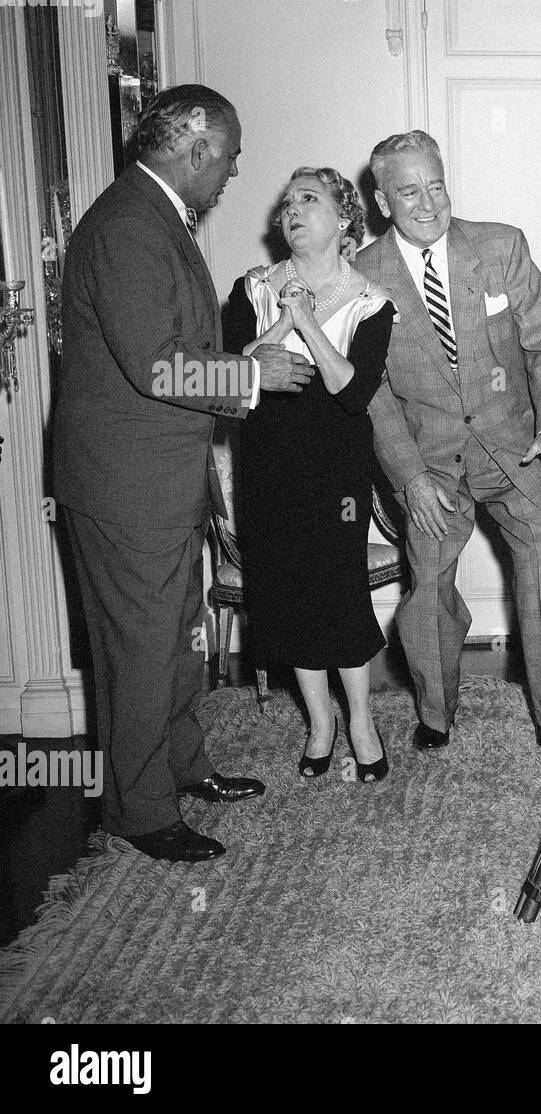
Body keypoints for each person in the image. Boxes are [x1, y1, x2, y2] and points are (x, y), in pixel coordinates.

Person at [50, 85, 314, 862]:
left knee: (175, 637)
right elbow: (158, 367)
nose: (233, 173)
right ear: (195, 144)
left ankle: (181, 766)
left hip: (157, 477)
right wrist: (251, 374)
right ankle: (140, 809)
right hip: (127, 485)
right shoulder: (130, 226)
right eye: (229, 156)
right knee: (139, 646)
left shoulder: (154, 216)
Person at [356, 130, 541, 763]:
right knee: (428, 593)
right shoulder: (362, 276)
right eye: (409, 191)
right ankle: (436, 714)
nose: (428, 203)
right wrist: (407, 478)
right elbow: (370, 392)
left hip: (517, 454)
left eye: (436, 185)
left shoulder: (500, 247)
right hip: (430, 468)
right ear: (382, 200)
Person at [228, 167, 395, 783]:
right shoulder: (251, 289)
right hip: (269, 465)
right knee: (289, 592)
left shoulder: (373, 302)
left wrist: (306, 324)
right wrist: (282, 315)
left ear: (345, 218)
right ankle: (320, 724)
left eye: (309, 199)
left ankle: (361, 721)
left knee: (339, 589)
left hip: (336, 470)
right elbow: (231, 371)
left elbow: (350, 391)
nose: (292, 209)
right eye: (288, 200)